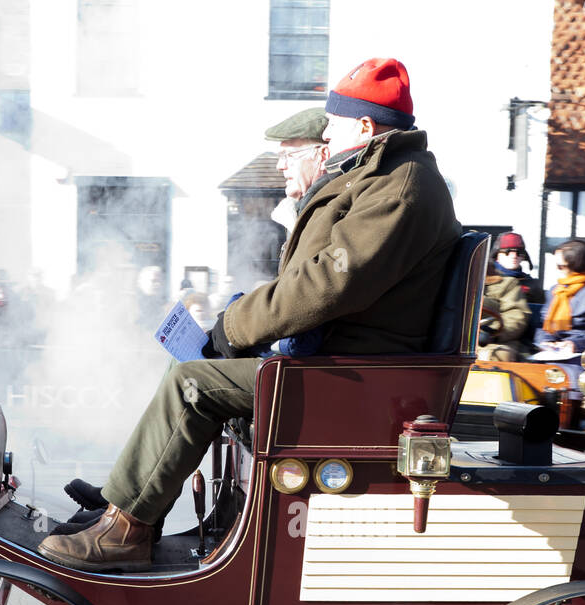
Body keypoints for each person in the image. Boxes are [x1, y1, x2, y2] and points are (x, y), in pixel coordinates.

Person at [37, 57, 460, 571]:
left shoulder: (400, 185)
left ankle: (127, 531)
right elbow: (318, 281)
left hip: (356, 377)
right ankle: (125, 504)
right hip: (343, 364)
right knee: (192, 365)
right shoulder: (385, 177)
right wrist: (237, 327)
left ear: (366, 127)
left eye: (335, 123)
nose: (327, 134)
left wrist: (235, 327)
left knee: (193, 385)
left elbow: (328, 283)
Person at [532, 239, 585, 366]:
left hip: (582, 357)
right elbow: (543, 325)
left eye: (561, 266)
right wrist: (546, 341)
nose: (557, 269)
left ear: (575, 265)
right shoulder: (556, 290)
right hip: (551, 353)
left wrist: (575, 344)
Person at [266, 107, 330, 236]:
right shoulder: (303, 208)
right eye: (281, 156)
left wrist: (294, 227)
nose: (280, 166)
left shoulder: (338, 208)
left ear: (323, 156)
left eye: (289, 155)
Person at [478, 259, 533, 362]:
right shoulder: (455, 284)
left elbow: (516, 316)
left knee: (498, 355)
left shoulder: (507, 283)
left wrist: (492, 334)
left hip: (493, 341)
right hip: (456, 340)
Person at [492, 232, 544, 306]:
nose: (514, 256)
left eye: (519, 252)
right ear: (497, 255)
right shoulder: (484, 281)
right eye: (507, 252)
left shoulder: (532, 285)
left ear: (523, 257)